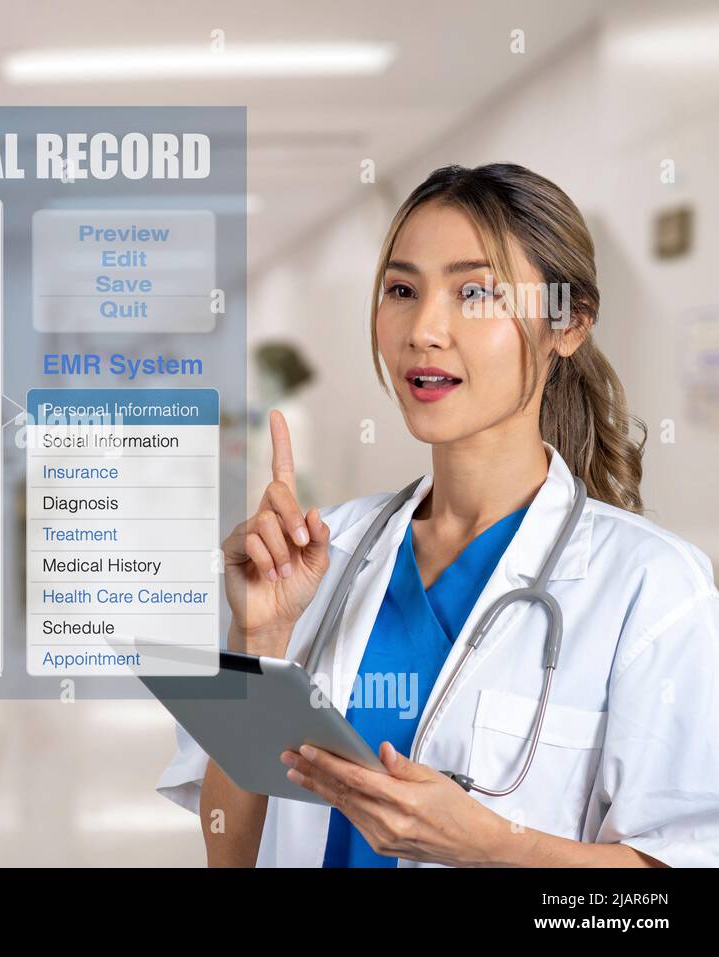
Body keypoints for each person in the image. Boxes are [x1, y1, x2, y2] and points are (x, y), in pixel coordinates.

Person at [157, 163, 719, 867]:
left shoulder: (653, 588)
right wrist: (260, 634)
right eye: (401, 289)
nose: (424, 329)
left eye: (475, 292)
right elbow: (228, 854)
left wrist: (485, 845)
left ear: (567, 324)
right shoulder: (322, 553)